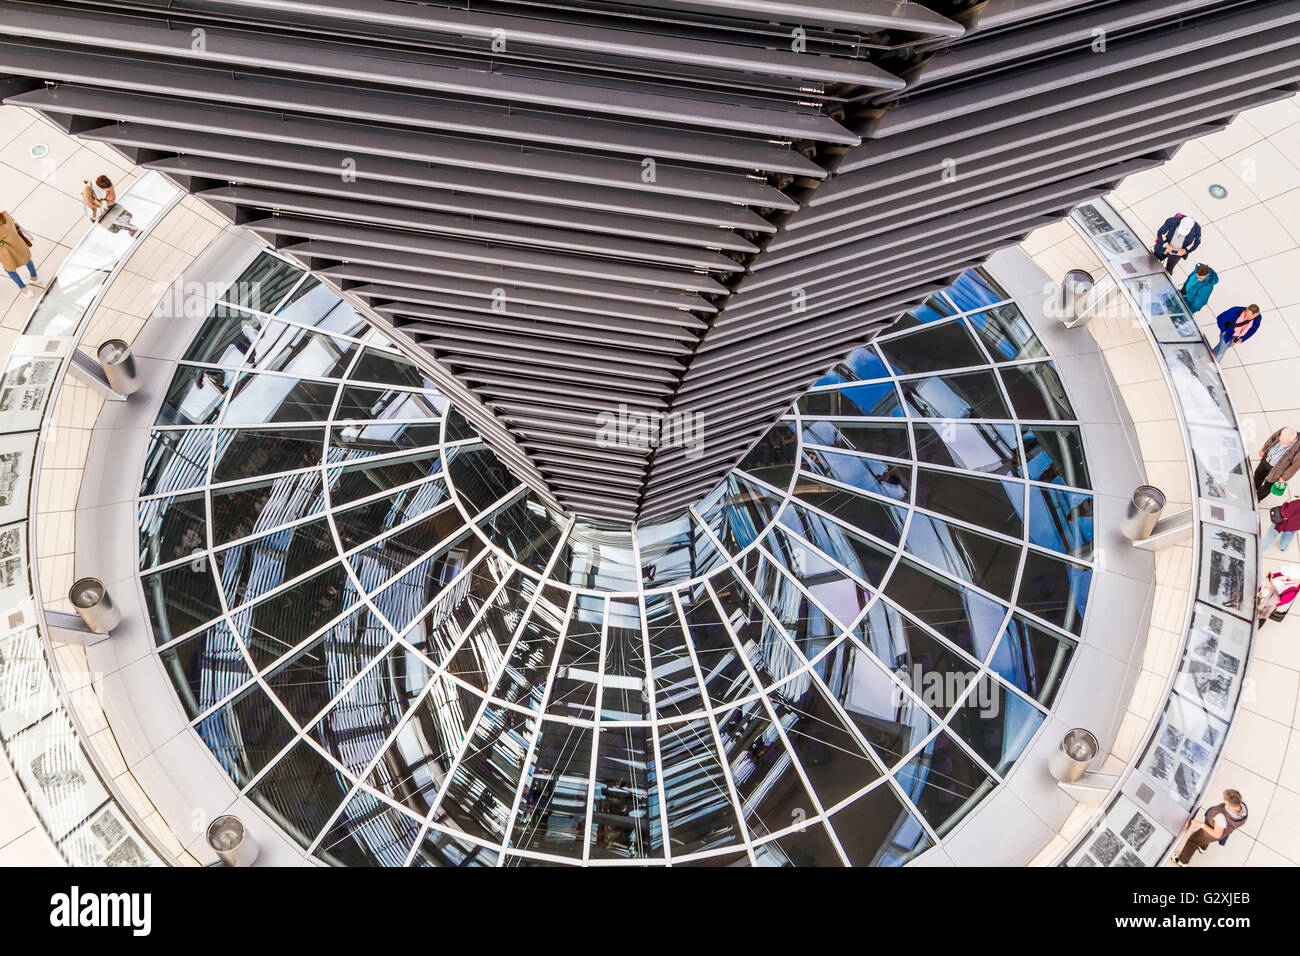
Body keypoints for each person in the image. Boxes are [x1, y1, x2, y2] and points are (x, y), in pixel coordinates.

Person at [1172, 790, 1247, 865]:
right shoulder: (1244, 809)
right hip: (1223, 830)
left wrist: (1201, 825)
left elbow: (1217, 834)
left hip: (1212, 833)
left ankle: (1182, 861)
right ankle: (1202, 848)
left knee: (1193, 841)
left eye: (1225, 800)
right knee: (1205, 840)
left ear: (1230, 805)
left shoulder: (1221, 816)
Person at [0, 210, 40, 298]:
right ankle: (34, 278)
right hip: (20, 245)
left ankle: (25, 291)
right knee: (27, 260)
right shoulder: (6, 217)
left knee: (10, 270)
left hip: (8, 253)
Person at [1254, 426, 1299, 500]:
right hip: (1267, 459)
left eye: (1284, 442)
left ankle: (1257, 498)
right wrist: (1264, 449)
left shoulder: (1298, 449)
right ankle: (1254, 487)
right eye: (1280, 440)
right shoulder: (1284, 430)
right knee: (1258, 474)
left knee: (1268, 485)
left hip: (1277, 470)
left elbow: (1295, 466)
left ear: (1293, 440)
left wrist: (1284, 477)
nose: (1281, 443)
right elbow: (1272, 439)